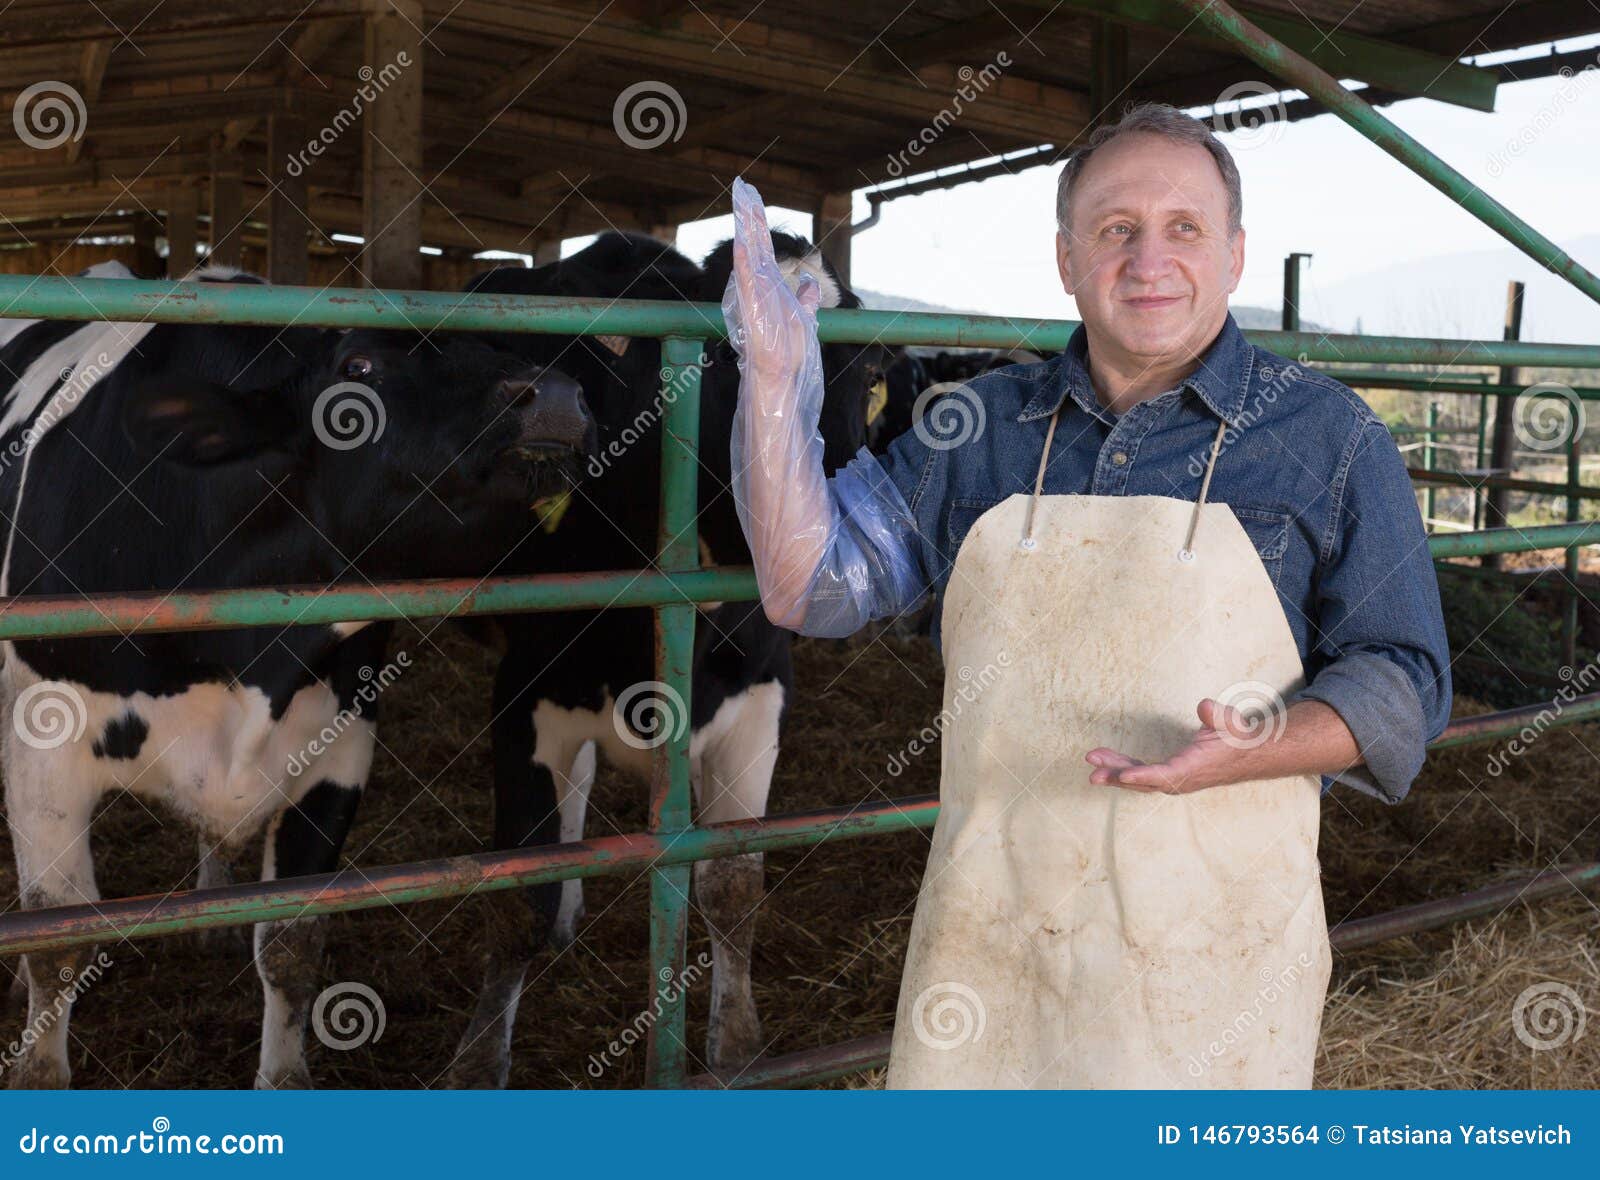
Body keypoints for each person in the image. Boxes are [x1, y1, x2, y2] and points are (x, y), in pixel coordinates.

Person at [721, 102, 1450, 1089]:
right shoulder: (975, 428)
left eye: (1182, 227)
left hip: (1213, 951)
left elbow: (1407, 677)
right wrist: (773, 384)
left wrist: (1263, 743)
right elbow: (810, 582)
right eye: (1115, 229)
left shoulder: (1329, 438)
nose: (1148, 260)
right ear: (1066, 259)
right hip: (993, 937)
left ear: (1233, 256)